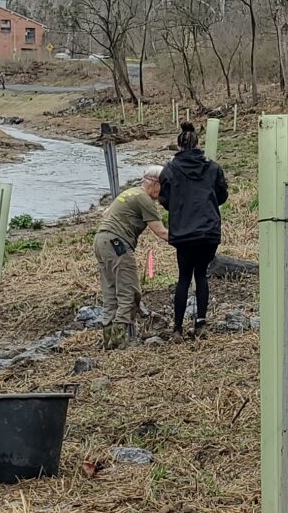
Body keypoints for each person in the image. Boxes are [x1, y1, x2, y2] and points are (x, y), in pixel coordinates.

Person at [159, 121, 229, 338]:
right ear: (198, 143)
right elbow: (222, 196)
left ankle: (178, 328)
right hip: (208, 230)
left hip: (184, 231)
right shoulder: (213, 167)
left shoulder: (170, 169)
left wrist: (180, 207)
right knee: (201, 275)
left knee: (183, 277)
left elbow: (164, 199)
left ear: (179, 146)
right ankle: (200, 324)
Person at [95, 166, 169, 348]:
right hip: (117, 244)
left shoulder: (130, 192)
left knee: (110, 292)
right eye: (164, 186)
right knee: (130, 291)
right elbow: (161, 232)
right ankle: (119, 341)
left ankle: (108, 340)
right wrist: (188, 239)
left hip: (101, 240)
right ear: (154, 183)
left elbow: (106, 214)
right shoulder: (144, 199)